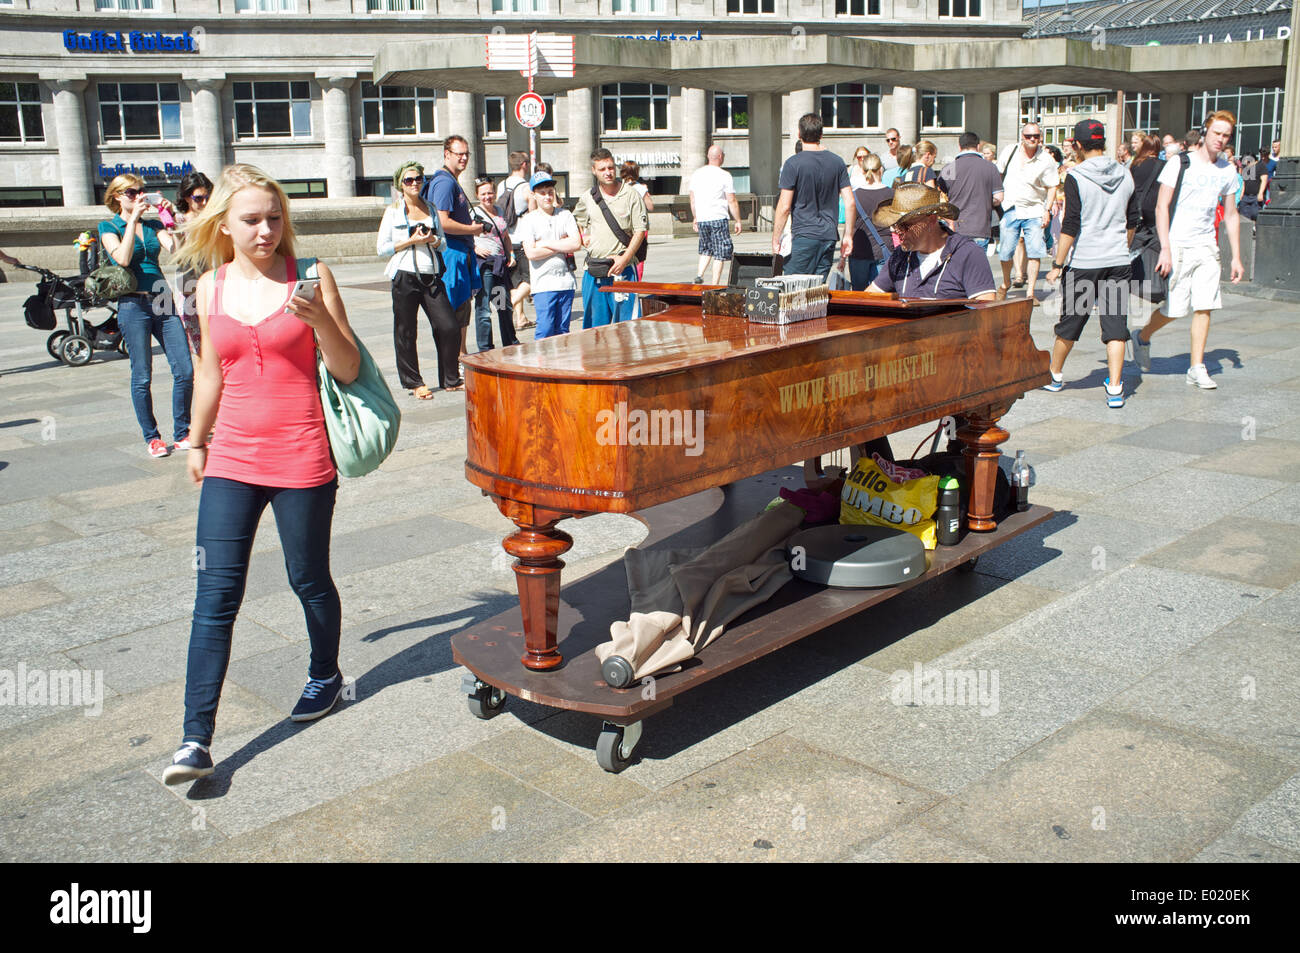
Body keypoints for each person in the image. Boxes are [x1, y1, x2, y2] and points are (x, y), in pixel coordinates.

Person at [163, 163, 361, 784]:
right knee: (215, 596)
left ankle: (325, 675)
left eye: (275, 218)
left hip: (303, 454)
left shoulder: (311, 275)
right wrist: (196, 442)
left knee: (308, 578)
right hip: (232, 457)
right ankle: (195, 740)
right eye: (251, 219)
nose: (266, 230)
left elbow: (349, 368)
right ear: (223, 223)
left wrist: (319, 317)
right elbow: (210, 373)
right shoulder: (210, 287)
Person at [1131, 110, 1244, 390]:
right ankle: (1142, 336)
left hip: (1207, 246)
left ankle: (1197, 367)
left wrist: (1237, 257)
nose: (1220, 139)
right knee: (1175, 309)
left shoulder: (1227, 170)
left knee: (1205, 306)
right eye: (1217, 133)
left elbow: (1230, 214)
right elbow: (1161, 207)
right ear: (1205, 133)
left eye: (1226, 135)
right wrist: (1166, 248)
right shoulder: (1180, 163)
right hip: (1178, 244)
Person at [1042, 119, 1139, 409]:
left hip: (1085, 260)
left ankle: (1055, 375)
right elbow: (1132, 220)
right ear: (1104, 142)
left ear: (1078, 145)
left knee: (1071, 321)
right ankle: (1115, 388)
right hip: (1118, 260)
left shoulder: (1076, 176)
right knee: (1116, 325)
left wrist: (1058, 264)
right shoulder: (1125, 173)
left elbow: (1070, 224)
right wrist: (1122, 247)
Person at [98, 173, 194, 459]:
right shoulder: (108, 225)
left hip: (162, 298)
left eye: (141, 191)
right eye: (131, 192)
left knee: (185, 370)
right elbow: (123, 258)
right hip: (132, 304)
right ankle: (152, 437)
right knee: (142, 375)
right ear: (117, 196)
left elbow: (178, 251)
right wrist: (131, 221)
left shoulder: (152, 225)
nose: (139, 196)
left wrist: (170, 217)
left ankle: (183, 431)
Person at [377, 160, 459, 397]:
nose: (414, 184)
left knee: (449, 326)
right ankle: (414, 383)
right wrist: (411, 241)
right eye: (409, 180)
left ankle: (450, 378)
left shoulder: (431, 208)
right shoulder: (393, 211)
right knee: (406, 330)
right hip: (404, 275)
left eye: (419, 179)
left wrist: (431, 239)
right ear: (400, 185)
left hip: (431, 274)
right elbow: (382, 248)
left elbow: (442, 244)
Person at [866, 183, 997, 301]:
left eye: (905, 225)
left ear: (931, 220)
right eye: (895, 225)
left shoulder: (968, 254)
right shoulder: (900, 256)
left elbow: (985, 311)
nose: (896, 231)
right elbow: (869, 297)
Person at [422, 135, 484, 361]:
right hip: (452, 254)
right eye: (459, 154)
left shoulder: (449, 180)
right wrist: (473, 230)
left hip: (459, 253)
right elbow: (443, 222)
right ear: (446, 154)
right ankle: (455, 358)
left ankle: (459, 354)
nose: (465, 158)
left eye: (467, 153)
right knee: (454, 308)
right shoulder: (445, 183)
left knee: (461, 308)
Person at [772, 113, 855, 279]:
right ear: (821, 135)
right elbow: (850, 203)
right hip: (828, 236)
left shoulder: (793, 163)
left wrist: (776, 237)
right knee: (816, 294)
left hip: (803, 235)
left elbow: (784, 206)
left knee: (793, 291)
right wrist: (848, 236)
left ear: (799, 134)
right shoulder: (837, 162)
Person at [575, 148, 648, 327]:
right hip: (594, 269)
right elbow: (578, 219)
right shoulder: (588, 197)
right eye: (602, 169)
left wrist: (625, 259)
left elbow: (640, 230)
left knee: (626, 326)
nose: (608, 173)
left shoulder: (630, 194)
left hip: (622, 271)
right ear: (594, 171)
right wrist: (584, 236)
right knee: (595, 328)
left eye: (610, 167)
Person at [995, 123, 1059, 303]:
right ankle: (1006, 283)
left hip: (1035, 209)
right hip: (1010, 207)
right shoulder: (1010, 151)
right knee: (1005, 251)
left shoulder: (1046, 159)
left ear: (1040, 138)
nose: (1032, 139)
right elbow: (998, 174)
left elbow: (1053, 185)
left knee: (1035, 252)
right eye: (1029, 136)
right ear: (1022, 136)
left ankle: (1030, 293)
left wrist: (1047, 210)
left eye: (1036, 136)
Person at [517, 170, 581, 339]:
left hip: (565, 282)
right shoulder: (528, 220)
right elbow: (531, 253)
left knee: (562, 332)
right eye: (542, 193)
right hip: (543, 285)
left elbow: (576, 243)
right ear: (534, 195)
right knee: (545, 330)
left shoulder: (565, 215)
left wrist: (544, 243)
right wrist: (561, 244)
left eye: (550, 192)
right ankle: (541, 364)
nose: (547, 196)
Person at [471, 176, 520, 351]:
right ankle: (485, 348)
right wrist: (475, 248)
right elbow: (466, 235)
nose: (487, 197)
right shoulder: (474, 213)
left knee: (503, 305)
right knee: (484, 308)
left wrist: (511, 253)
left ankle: (510, 342)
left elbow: (505, 236)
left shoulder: (499, 210)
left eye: (490, 192)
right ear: (477, 195)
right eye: (483, 193)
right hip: (485, 266)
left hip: (500, 266)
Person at [937, 130, 1005, 251]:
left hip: (955, 228)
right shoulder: (990, 167)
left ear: (959, 146)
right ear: (978, 146)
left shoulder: (949, 168)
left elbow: (940, 197)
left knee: (957, 266)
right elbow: (999, 198)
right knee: (976, 268)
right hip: (980, 228)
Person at [173, 170, 213, 354]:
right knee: (198, 346)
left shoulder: (213, 219)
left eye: (207, 197)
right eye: (198, 198)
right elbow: (177, 254)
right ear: (187, 198)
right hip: (191, 286)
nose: (204, 202)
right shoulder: (179, 221)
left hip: (215, 283)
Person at [689, 144, 742, 285]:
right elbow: (731, 200)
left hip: (702, 218)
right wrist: (737, 220)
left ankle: (699, 275)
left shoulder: (697, 174)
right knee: (719, 252)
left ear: (708, 156)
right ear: (720, 157)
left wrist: (695, 217)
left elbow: (693, 200)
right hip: (718, 217)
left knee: (705, 249)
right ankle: (715, 283)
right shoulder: (724, 175)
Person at [498, 151, 535, 331]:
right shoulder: (526, 188)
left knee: (515, 282)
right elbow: (534, 216)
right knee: (531, 280)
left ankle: (520, 318)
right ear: (524, 165)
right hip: (522, 241)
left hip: (506, 241)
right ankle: (511, 305)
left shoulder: (501, 185)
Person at [1128, 134, 1164, 303]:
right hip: (1154, 211)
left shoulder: (1136, 165)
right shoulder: (1164, 166)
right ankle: (1155, 282)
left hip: (1136, 209)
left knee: (1134, 244)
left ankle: (1132, 277)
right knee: (1154, 244)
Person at [847, 154, 893, 290]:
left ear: (863, 171)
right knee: (881, 293)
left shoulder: (854, 195)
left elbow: (850, 227)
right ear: (881, 170)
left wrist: (843, 258)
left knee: (859, 295)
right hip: (884, 248)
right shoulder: (892, 193)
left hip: (859, 249)